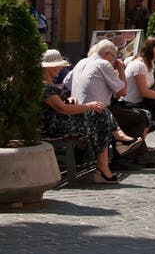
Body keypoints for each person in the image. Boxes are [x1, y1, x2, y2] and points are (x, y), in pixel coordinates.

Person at [41, 48, 119, 184]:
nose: (60, 68)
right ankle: (108, 157)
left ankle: (105, 163)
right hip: (54, 127)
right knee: (100, 114)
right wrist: (89, 105)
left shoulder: (48, 84)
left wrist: (68, 99)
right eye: (58, 65)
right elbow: (62, 109)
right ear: (49, 67)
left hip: (58, 122)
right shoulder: (45, 86)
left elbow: (60, 105)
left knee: (100, 113)